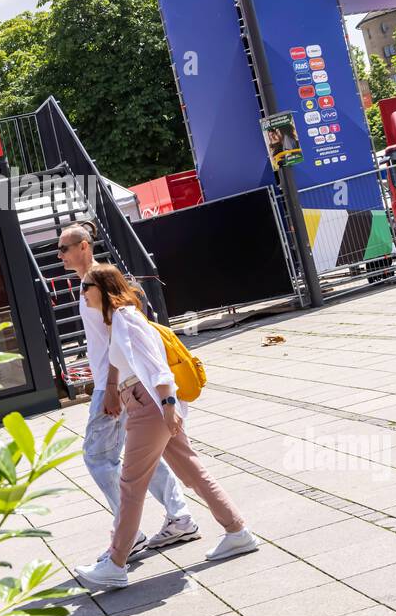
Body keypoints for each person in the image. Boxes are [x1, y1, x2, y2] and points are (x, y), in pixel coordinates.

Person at [74, 264, 260, 589]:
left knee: (130, 486)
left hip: (150, 406)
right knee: (192, 471)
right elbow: (119, 362)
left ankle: (116, 563)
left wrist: (169, 405)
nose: (81, 293)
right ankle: (237, 531)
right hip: (145, 403)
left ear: (102, 290)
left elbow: (157, 365)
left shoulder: (125, 318)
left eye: (86, 287)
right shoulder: (116, 321)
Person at [56, 224, 198, 557]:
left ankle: (128, 532)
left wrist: (108, 388)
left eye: (64, 248)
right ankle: (179, 516)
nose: (59, 254)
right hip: (122, 384)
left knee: (98, 456)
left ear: (84, 247)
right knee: (144, 453)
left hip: (115, 385)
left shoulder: (98, 285)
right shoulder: (89, 283)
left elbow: (117, 339)